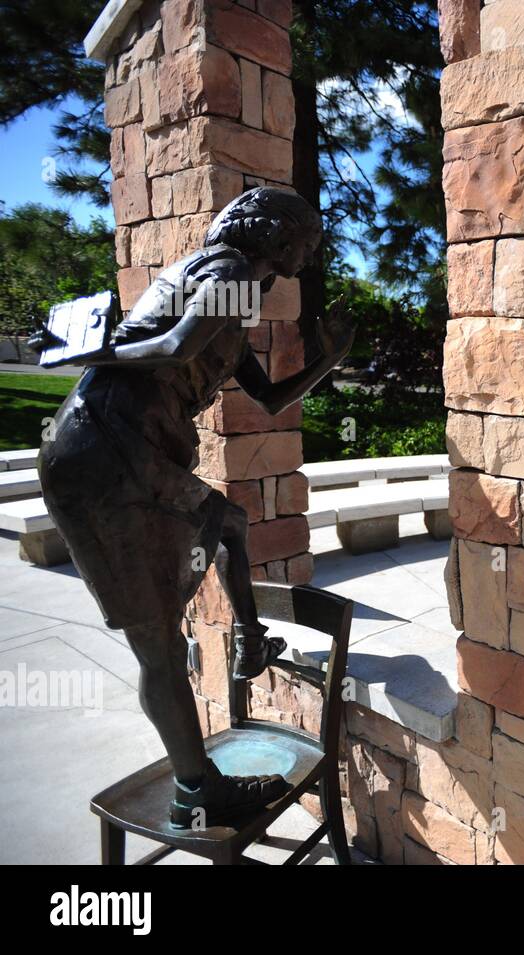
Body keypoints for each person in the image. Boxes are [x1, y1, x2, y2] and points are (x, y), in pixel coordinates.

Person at [35, 187, 354, 827]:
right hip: (111, 447)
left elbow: (267, 400)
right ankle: (198, 787)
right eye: (306, 239)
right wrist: (96, 352)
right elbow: (178, 348)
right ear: (272, 232)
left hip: (119, 448)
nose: (311, 250)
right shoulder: (230, 270)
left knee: (227, 526)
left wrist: (331, 359)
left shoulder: (233, 291)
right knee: (154, 641)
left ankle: (247, 643)